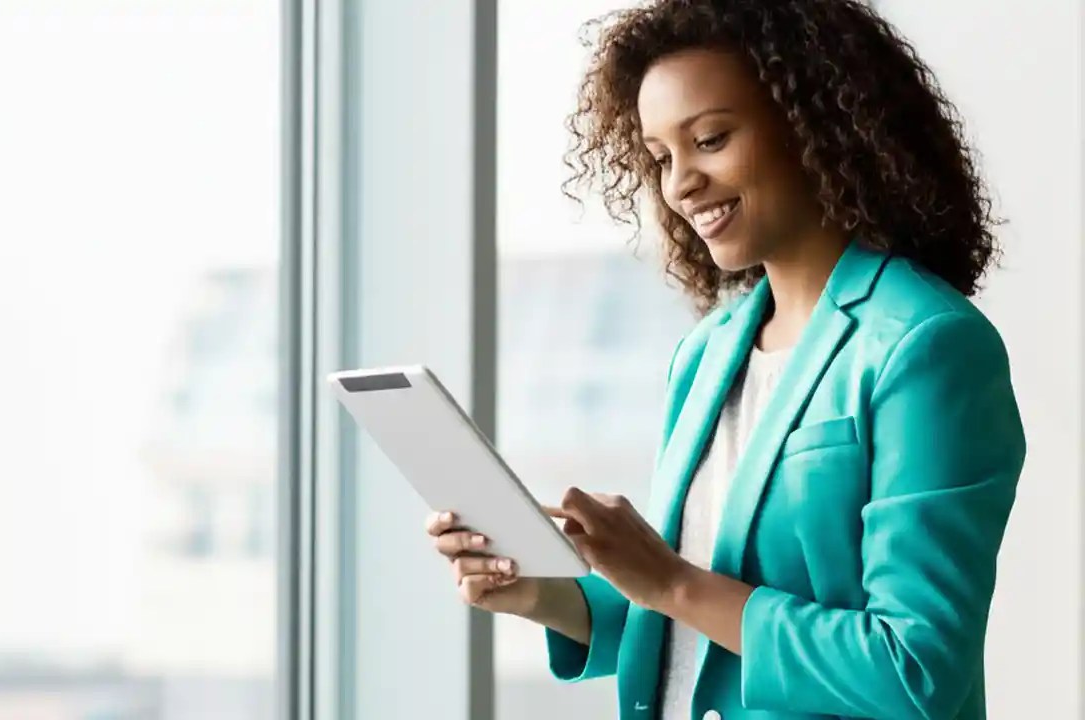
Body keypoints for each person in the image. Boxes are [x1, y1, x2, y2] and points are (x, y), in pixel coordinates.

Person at [425, 1, 1026, 718]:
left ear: (815, 126)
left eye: (709, 139)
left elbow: (914, 670)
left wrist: (670, 580)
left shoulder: (923, 346)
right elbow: (691, 630)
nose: (680, 184)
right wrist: (540, 593)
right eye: (660, 157)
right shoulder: (707, 352)